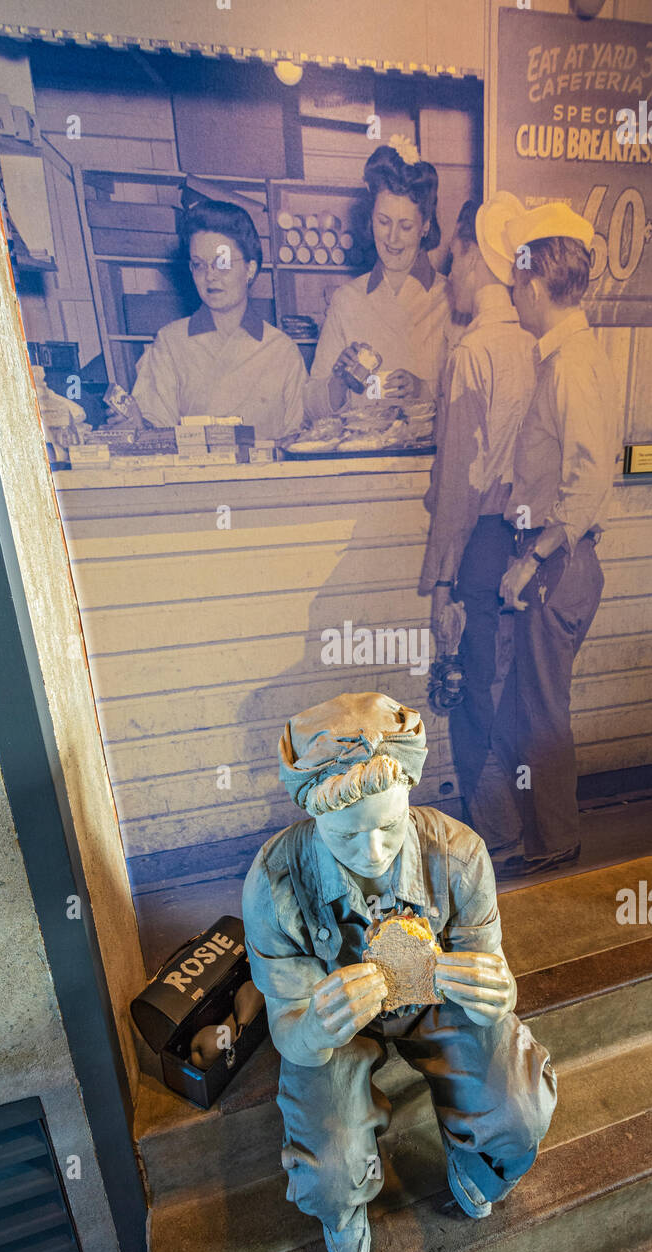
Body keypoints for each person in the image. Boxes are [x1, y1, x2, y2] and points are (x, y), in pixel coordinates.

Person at [241, 692, 557, 1252]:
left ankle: (476, 1155)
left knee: (518, 1111)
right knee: (329, 1167)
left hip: (439, 1003)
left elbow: (491, 975)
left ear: (410, 790)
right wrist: (312, 1025)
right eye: (347, 838)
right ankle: (343, 1205)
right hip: (339, 1026)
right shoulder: (274, 883)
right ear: (315, 817)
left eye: (390, 826)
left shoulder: (459, 856)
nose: (375, 853)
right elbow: (290, 1030)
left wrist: (498, 995)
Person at [492, 203, 621, 877]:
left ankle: (556, 846)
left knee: (542, 710)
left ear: (536, 283)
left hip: (560, 563)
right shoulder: (568, 356)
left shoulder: (572, 362)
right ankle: (538, 835)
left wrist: (530, 561)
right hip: (551, 558)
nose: (513, 294)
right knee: (531, 703)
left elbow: (591, 480)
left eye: (516, 283)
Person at [419, 193, 537, 850]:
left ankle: (493, 838)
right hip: (525, 545)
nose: (449, 273)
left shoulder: (473, 352)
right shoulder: (533, 342)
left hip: (481, 547)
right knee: (509, 687)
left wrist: (442, 583)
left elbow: (460, 487)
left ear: (476, 257)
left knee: (471, 692)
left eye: (454, 256)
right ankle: (517, 823)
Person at [125, 194, 307, 437]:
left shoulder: (281, 350)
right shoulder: (170, 343)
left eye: (221, 262)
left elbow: (300, 437)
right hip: (193, 475)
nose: (210, 275)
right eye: (199, 265)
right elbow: (155, 429)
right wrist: (138, 426)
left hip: (265, 475)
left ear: (250, 269)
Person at [306, 137, 453, 419]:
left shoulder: (450, 299)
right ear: (370, 219)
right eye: (383, 222)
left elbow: (474, 397)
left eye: (406, 226)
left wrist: (425, 390)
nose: (392, 238)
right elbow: (311, 406)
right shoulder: (346, 300)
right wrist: (338, 380)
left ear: (425, 226)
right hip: (363, 456)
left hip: (428, 461)